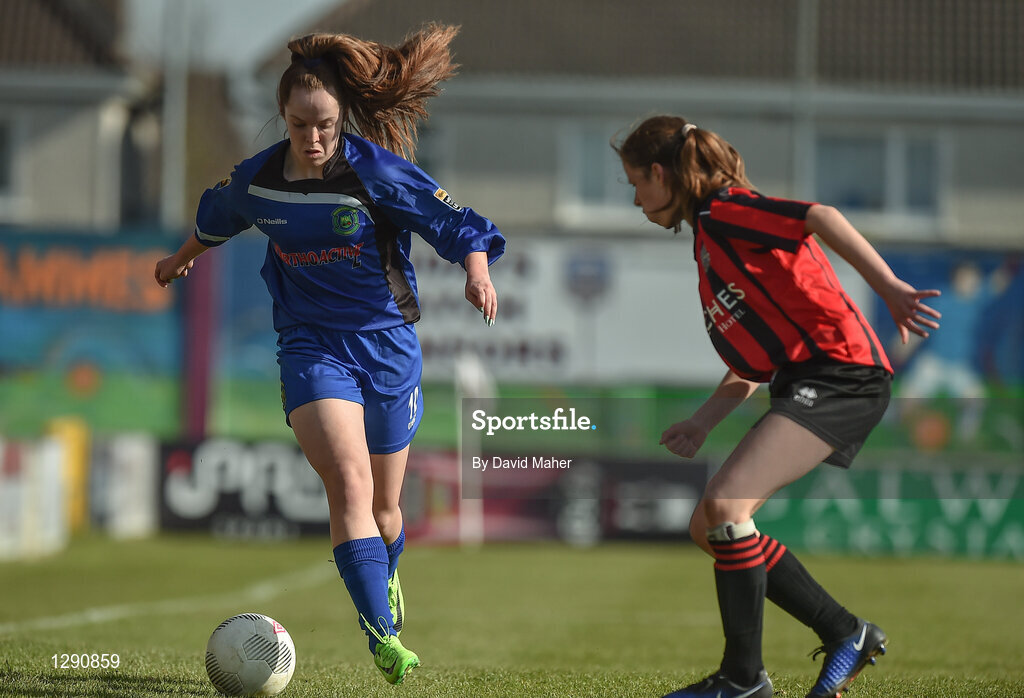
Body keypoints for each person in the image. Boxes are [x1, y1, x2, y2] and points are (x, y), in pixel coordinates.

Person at [154, 25, 504, 686]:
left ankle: (387, 574)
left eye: (324, 125)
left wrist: (478, 272)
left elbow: (457, 222)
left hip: (388, 347)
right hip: (311, 346)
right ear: (283, 118)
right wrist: (179, 260)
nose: (312, 139)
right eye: (298, 125)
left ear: (343, 118)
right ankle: (385, 640)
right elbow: (215, 219)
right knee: (350, 485)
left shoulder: (375, 173)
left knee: (387, 512)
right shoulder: (259, 180)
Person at [614, 116, 940, 698]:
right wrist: (703, 420)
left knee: (724, 504)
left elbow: (820, 217)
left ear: (661, 174)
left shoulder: (727, 212)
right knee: (709, 525)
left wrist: (888, 285)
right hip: (810, 378)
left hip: (844, 375)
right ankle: (846, 633)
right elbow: (755, 363)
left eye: (636, 181)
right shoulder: (709, 239)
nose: (636, 198)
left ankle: (743, 680)